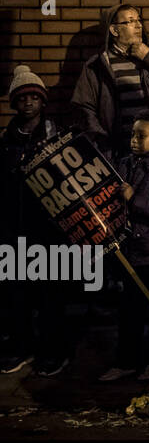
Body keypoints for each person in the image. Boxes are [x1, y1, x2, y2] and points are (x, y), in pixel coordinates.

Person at [0, 66, 72, 377]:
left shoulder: (56, 135)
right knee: (18, 293)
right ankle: (21, 347)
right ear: (14, 104)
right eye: (22, 98)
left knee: (50, 294)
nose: (29, 102)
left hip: (50, 230)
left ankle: (53, 351)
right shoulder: (6, 141)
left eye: (34, 97)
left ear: (42, 102)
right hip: (16, 229)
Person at [99, 109, 149, 382]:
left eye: (141, 135)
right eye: (132, 134)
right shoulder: (125, 164)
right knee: (128, 311)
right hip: (128, 250)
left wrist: (133, 199)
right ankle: (127, 360)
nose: (134, 139)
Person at [70, 3, 149, 160]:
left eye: (139, 20)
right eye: (131, 21)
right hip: (117, 152)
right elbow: (83, 107)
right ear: (114, 30)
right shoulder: (98, 65)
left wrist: (148, 57)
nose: (139, 25)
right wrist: (101, 139)